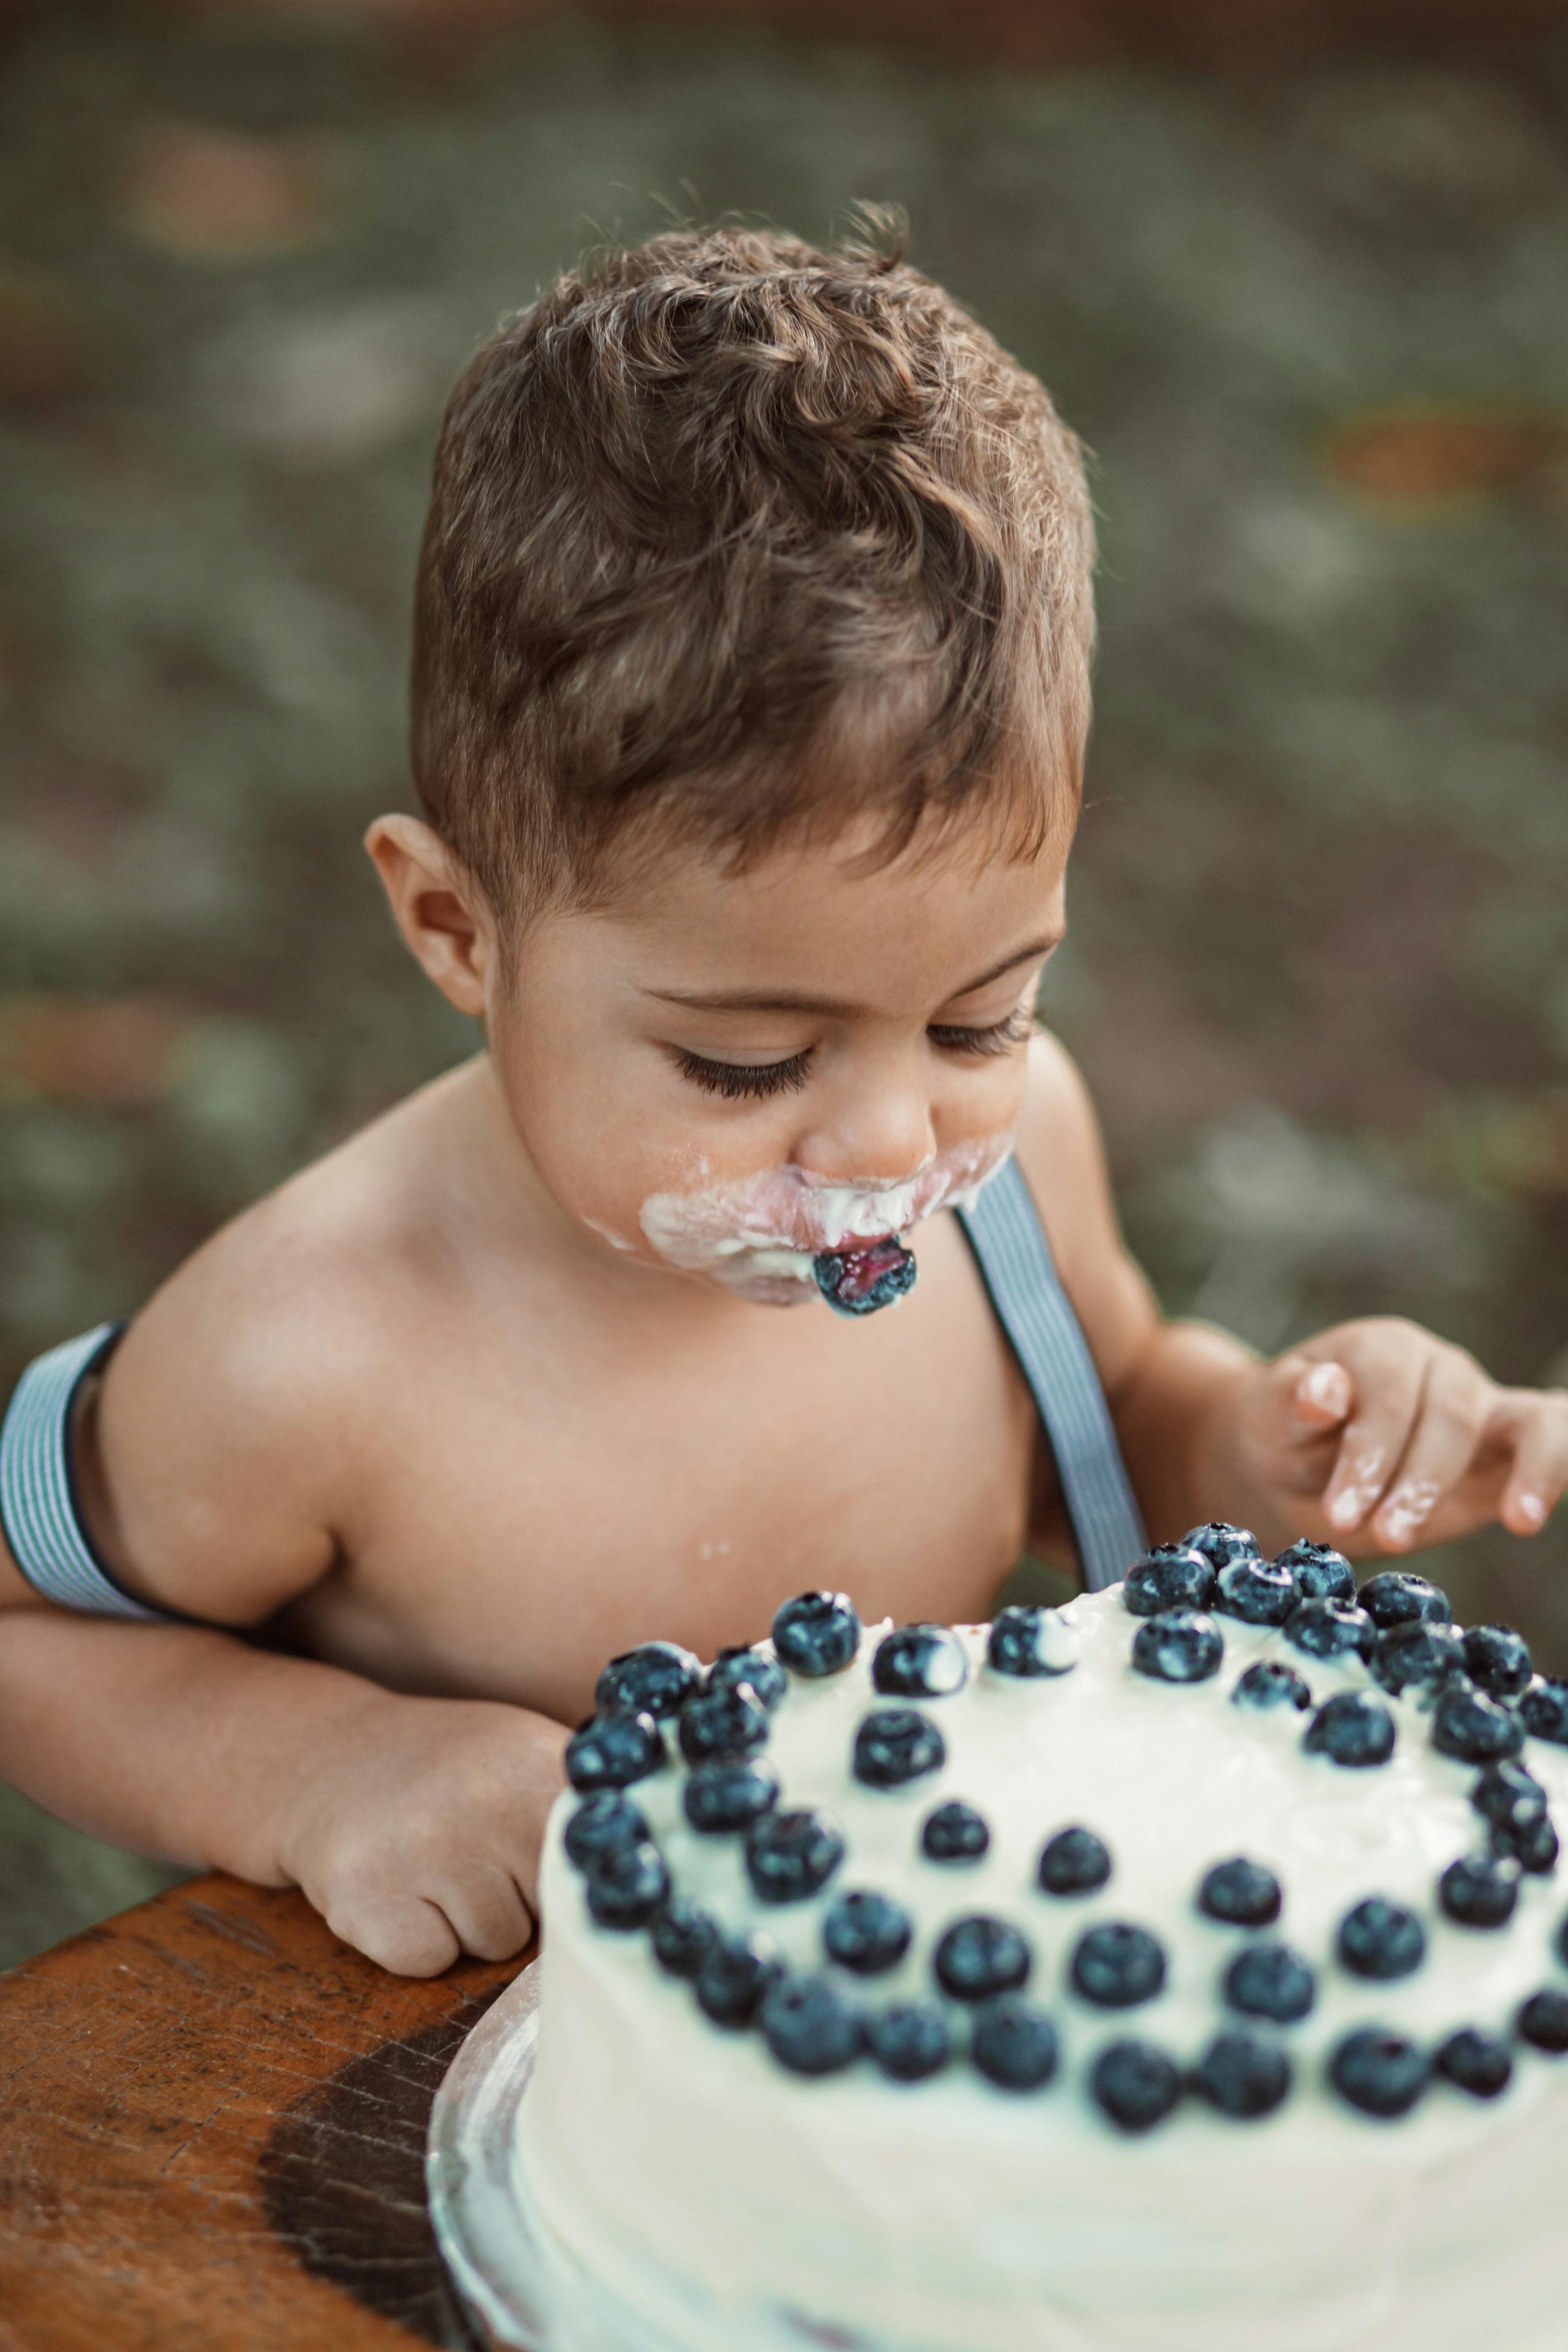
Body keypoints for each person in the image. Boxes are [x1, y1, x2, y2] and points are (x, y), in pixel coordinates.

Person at [2, 223, 1564, 1979]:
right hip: (470, 2106)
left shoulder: (1019, 1156)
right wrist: (308, 1766)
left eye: (981, 1016)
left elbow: (1109, 1409)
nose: (894, 1148)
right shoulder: (311, 1351)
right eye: (748, 1062)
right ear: (456, 926)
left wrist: (1271, 1443)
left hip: (930, 2022)